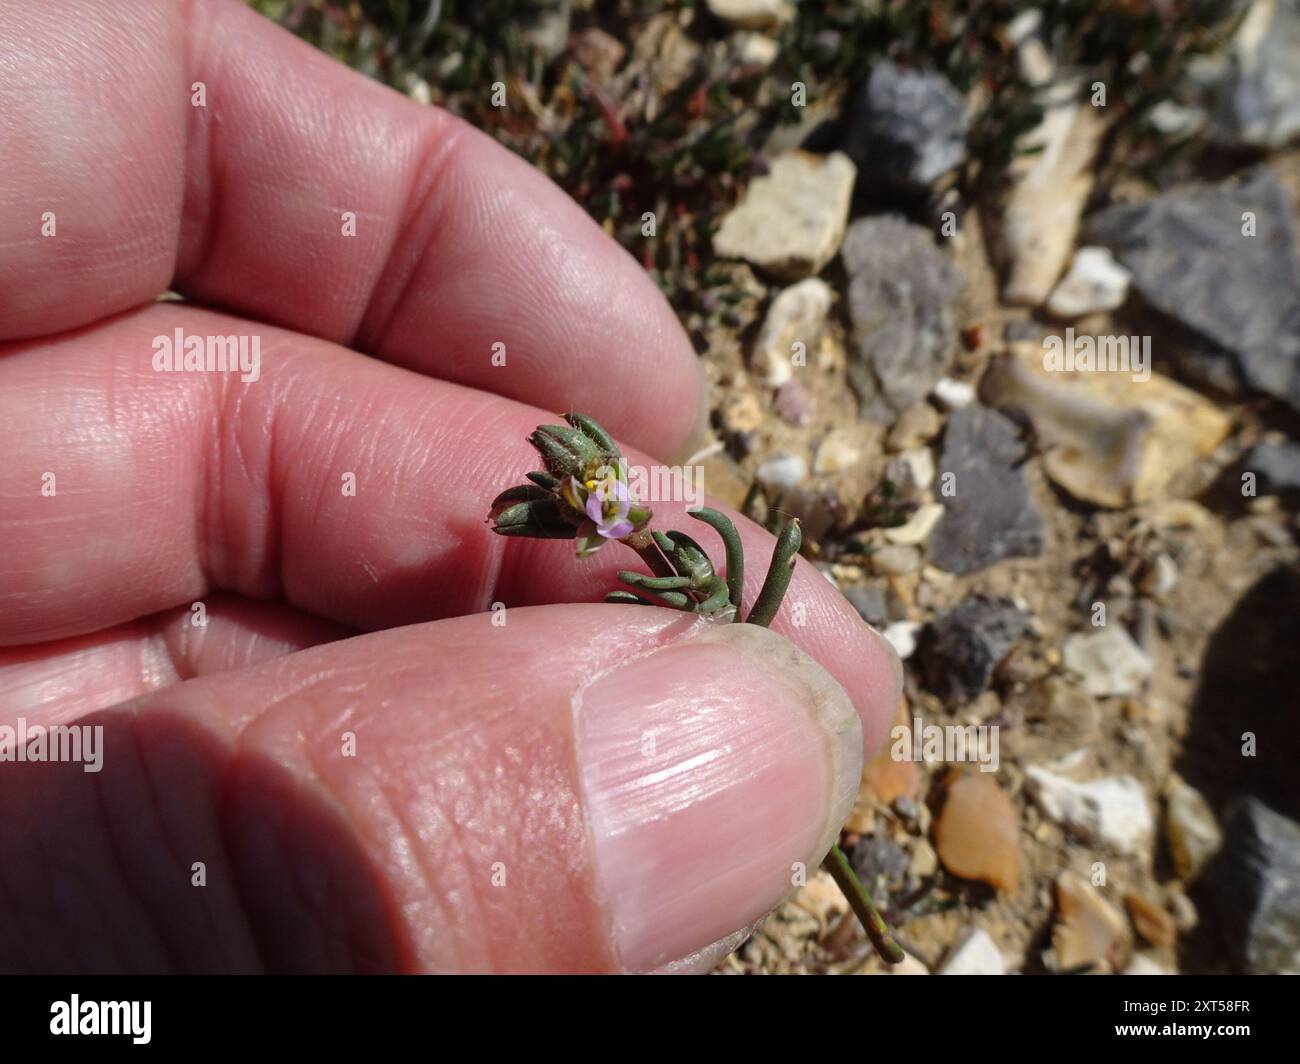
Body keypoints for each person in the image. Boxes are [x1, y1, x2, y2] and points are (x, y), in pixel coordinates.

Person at [0, 0, 900, 973]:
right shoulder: (606, 523)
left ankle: (880, 932)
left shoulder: (636, 530)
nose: (594, 493)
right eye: (586, 492)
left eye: (590, 491)